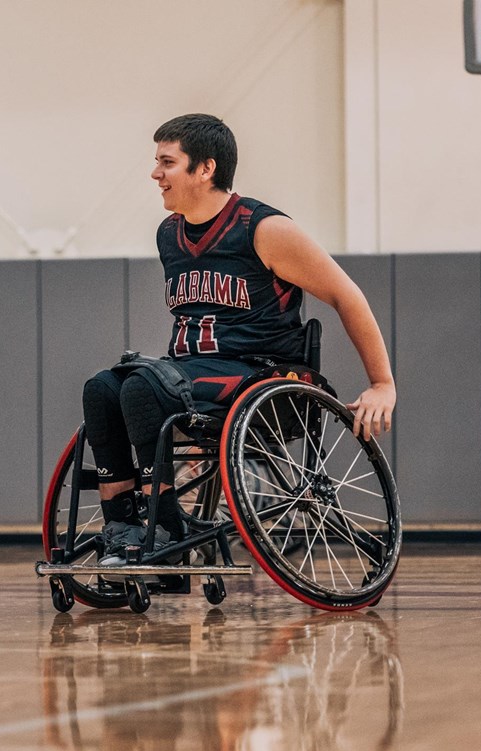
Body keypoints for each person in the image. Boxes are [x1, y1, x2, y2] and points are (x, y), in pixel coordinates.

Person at [81, 114, 396, 566]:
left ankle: (165, 529)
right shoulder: (169, 234)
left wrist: (382, 383)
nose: (155, 173)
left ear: (205, 168)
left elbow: (347, 296)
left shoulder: (264, 229)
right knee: (101, 389)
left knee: (141, 388)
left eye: (167, 162)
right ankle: (122, 527)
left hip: (262, 373)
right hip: (189, 373)